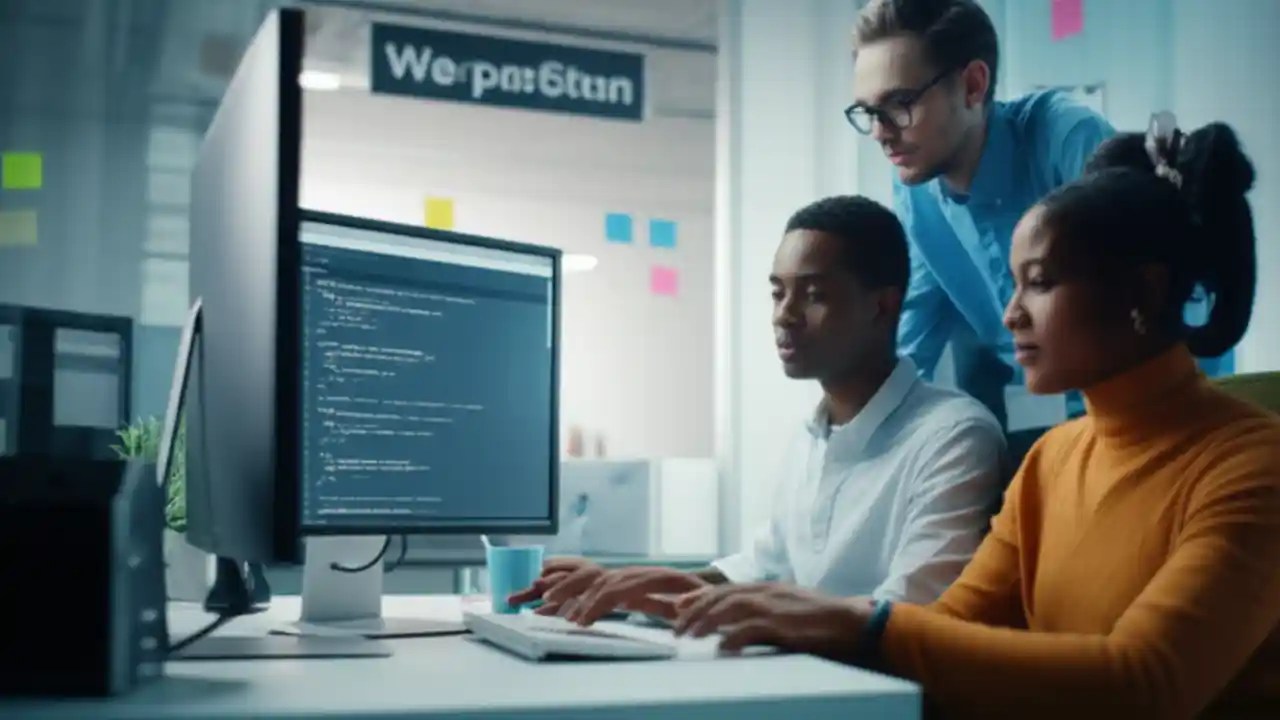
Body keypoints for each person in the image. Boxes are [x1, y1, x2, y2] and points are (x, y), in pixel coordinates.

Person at [668, 118, 1280, 719]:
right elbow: (946, 630)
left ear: (1143, 293)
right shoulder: (1052, 459)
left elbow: (1145, 684)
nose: (1011, 313)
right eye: (1013, 285)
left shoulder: (1253, 465)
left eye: (1039, 283)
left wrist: (854, 622)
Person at [508, 195, 1006, 625]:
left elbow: (908, 614)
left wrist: (689, 596)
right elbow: (761, 570)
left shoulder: (955, 437)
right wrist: (620, 585)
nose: (784, 316)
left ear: (882, 306)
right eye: (778, 292)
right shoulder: (812, 436)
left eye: (813, 295)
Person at [849, 0, 1115, 426]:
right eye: (869, 112)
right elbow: (915, 329)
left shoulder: (1068, 140)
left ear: (973, 86)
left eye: (899, 103)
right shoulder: (915, 189)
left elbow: (1147, 299)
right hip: (1055, 421)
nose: (881, 133)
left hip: (1149, 407)